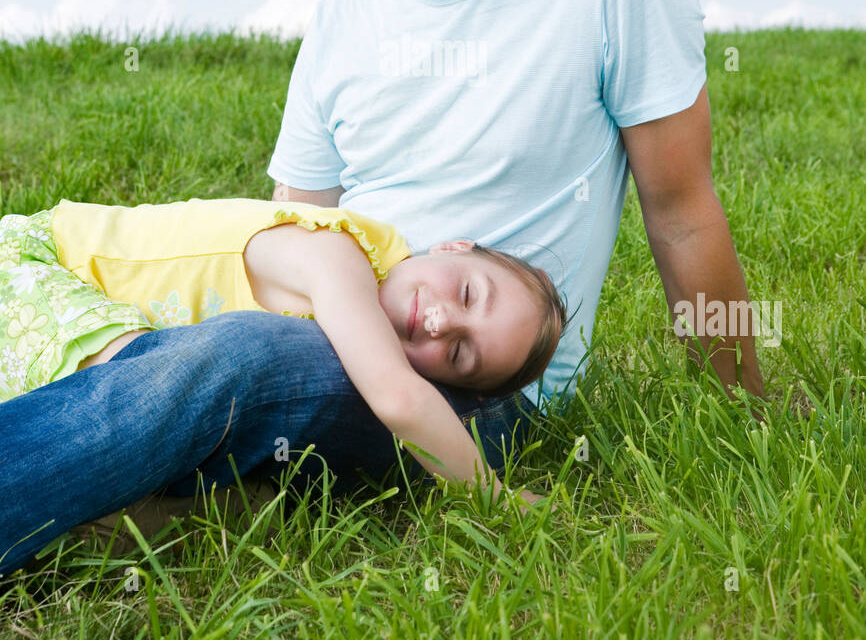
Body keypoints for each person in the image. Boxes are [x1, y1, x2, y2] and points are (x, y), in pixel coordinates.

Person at [0, 0, 765, 578]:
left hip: (478, 389)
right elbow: (293, 226)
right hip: (335, 324)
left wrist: (742, 408)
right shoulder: (344, 18)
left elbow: (682, 212)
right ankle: (168, 490)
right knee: (194, 349)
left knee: (239, 361)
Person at [0, 197, 567, 501]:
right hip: (40, 267)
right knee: (147, 391)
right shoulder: (340, 256)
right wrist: (492, 493)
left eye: (460, 355)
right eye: (468, 292)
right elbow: (398, 397)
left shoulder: (362, 296)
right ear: (454, 246)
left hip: (72, 311)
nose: (443, 322)